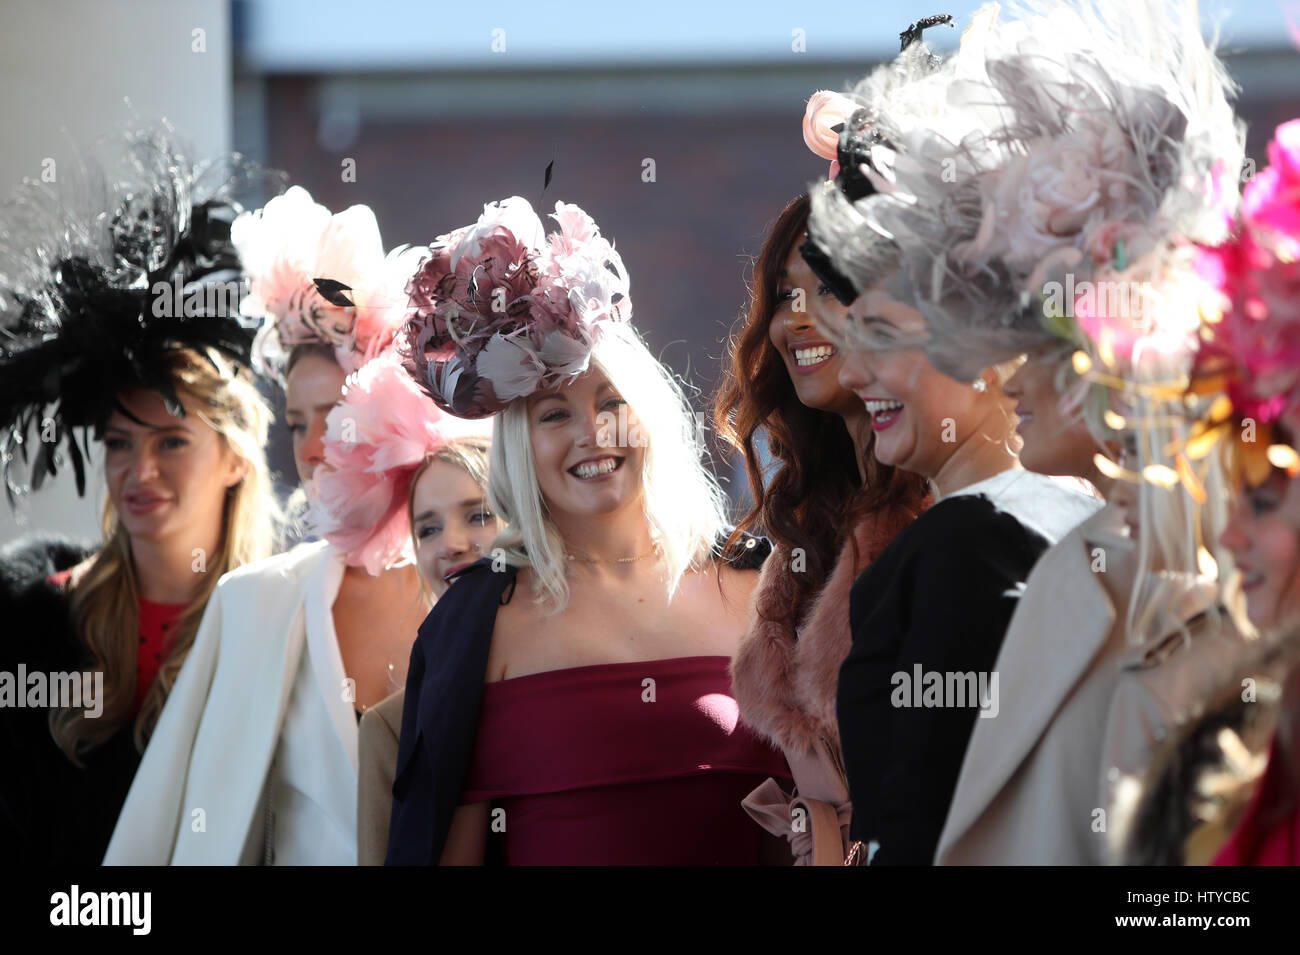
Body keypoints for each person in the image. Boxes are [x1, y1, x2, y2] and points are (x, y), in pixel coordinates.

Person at [385, 197, 790, 865]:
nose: (591, 433)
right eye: (553, 414)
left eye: (610, 402)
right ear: (519, 445)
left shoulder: (756, 584)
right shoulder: (476, 623)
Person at [104, 188, 431, 864]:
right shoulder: (255, 601)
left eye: (334, 418)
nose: (310, 449)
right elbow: (159, 835)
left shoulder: (484, 596)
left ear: (397, 418)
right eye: (294, 424)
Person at [0, 130, 278, 865]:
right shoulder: (40, 621)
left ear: (233, 457)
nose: (138, 469)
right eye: (119, 443)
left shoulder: (287, 624)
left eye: (171, 442)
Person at [715, 193, 929, 864]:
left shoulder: (947, 503)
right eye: (783, 296)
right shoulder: (805, 526)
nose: (797, 320)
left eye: (830, 289)